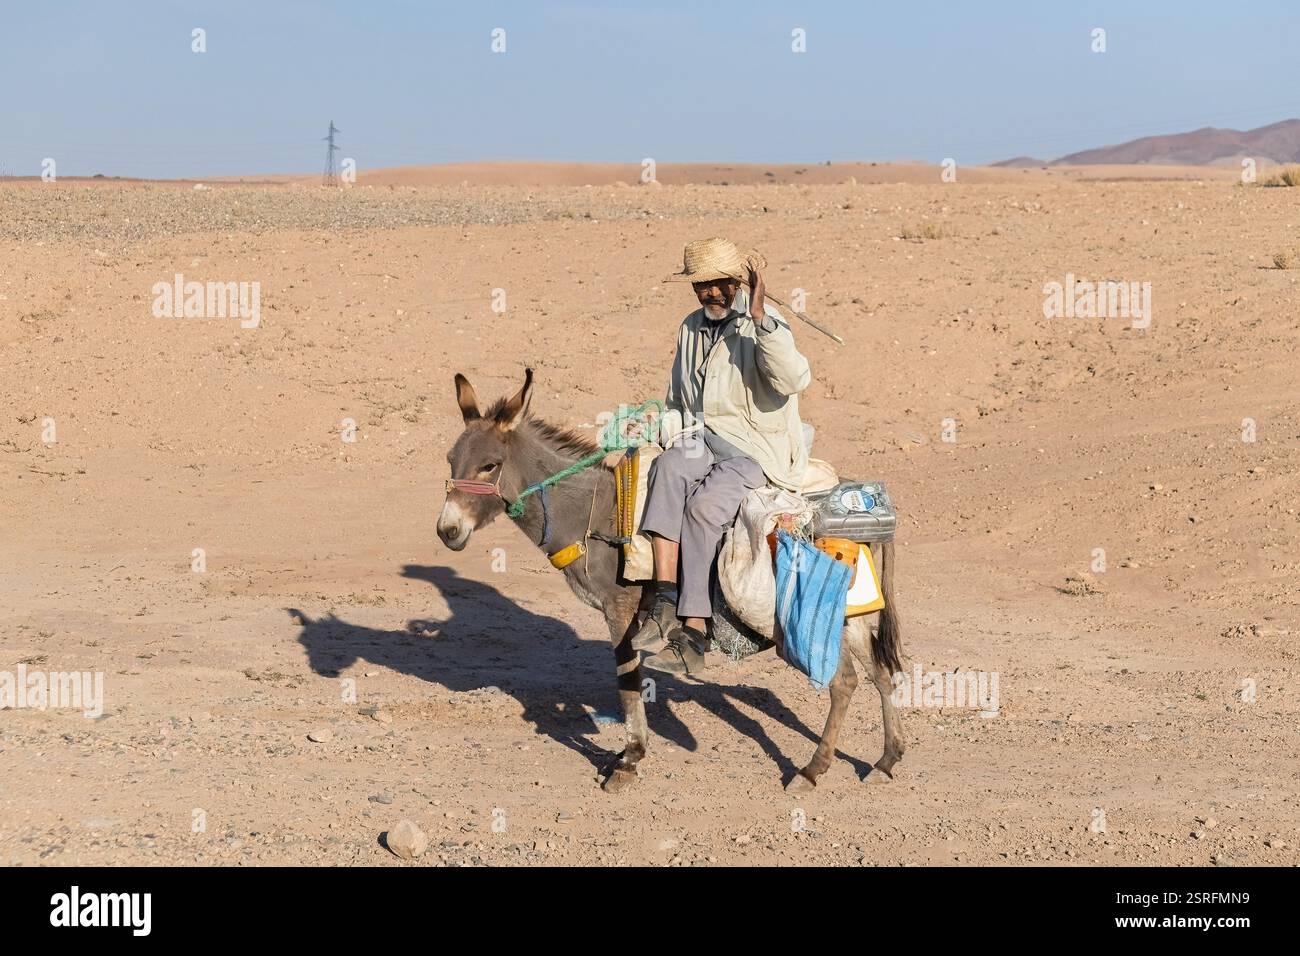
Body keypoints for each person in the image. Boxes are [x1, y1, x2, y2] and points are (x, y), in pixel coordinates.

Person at [634, 237, 812, 676]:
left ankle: (693, 633)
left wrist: (761, 318)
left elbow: (794, 379)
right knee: (667, 468)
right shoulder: (690, 326)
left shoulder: (766, 324)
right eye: (702, 286)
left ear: (738, 283)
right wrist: (663, 432)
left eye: (719, 285)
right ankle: (663, 600)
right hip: (703, 438)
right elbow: (678, 400)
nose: (710, 293)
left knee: (704, 508)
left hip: (755, 449)